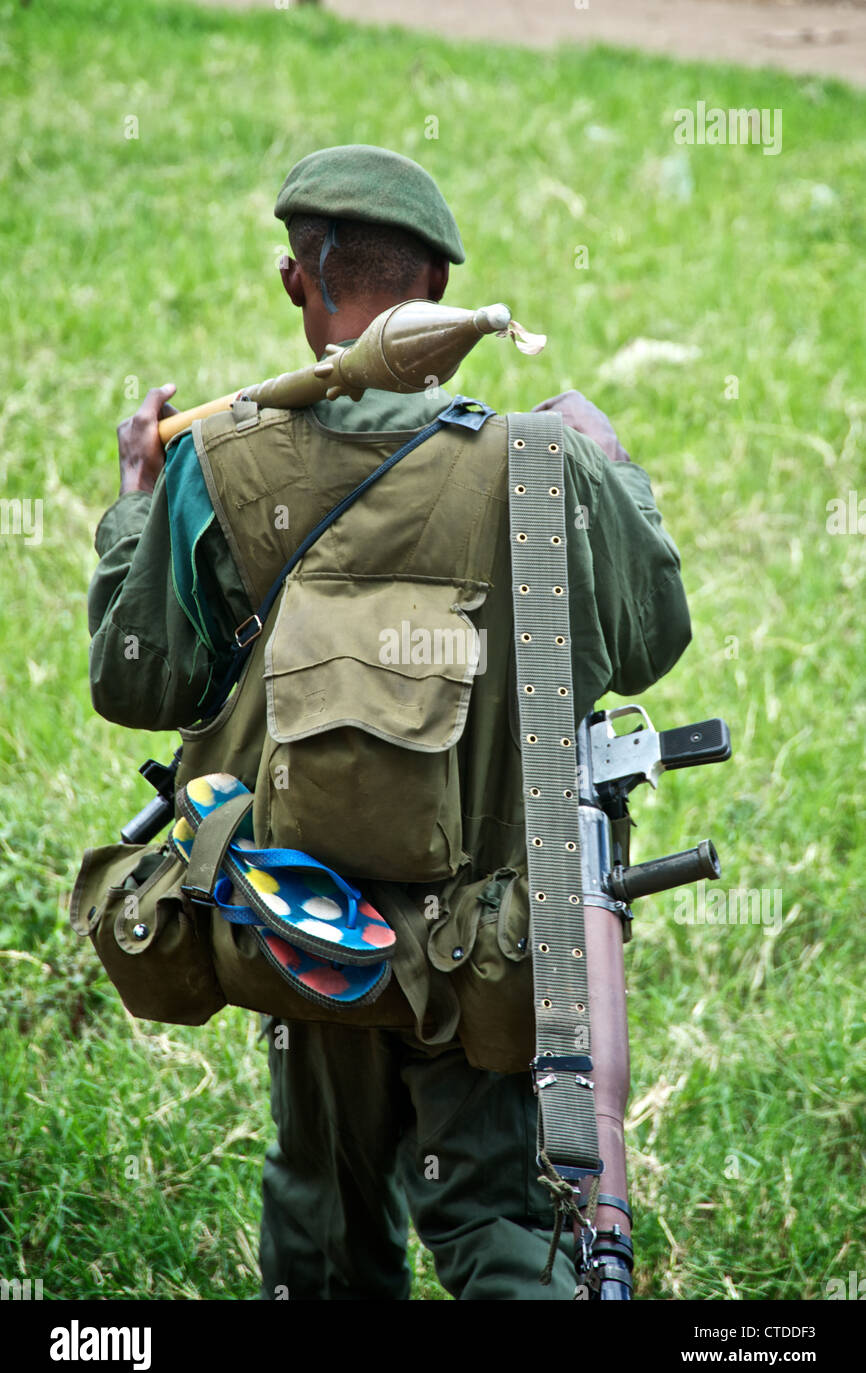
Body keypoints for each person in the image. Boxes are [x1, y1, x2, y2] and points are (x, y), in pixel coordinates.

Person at [88, 144, 691, 1300]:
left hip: (303, 928)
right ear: (442, 296)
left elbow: (137, 686)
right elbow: (648, 646)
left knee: (320, 1221)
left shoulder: (215, 465)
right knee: (498, 1223)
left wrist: (133, 509)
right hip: (492, 941)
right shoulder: (543, 461)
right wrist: (617, 471)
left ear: (295, 284)